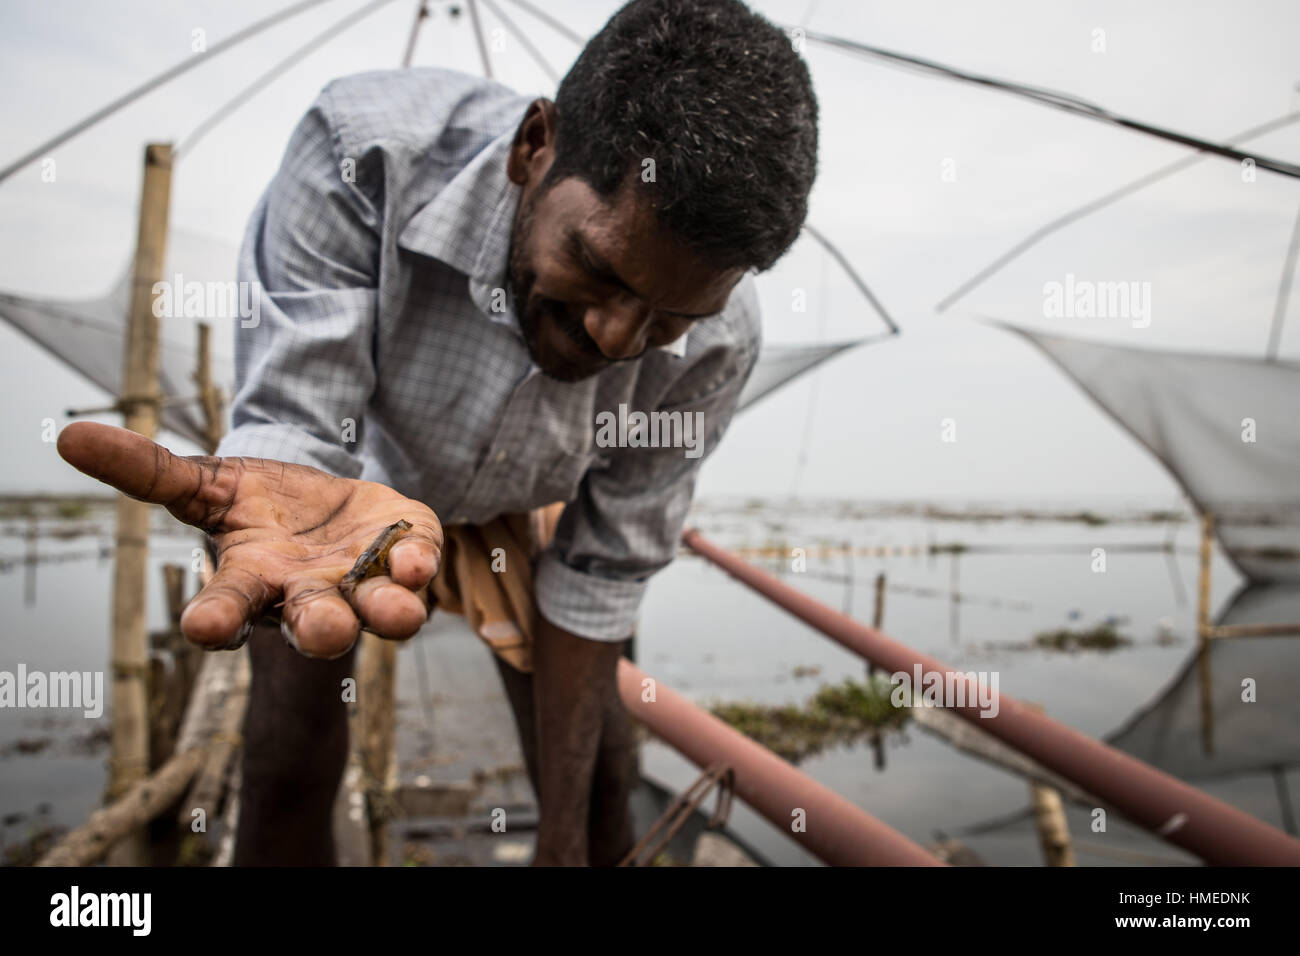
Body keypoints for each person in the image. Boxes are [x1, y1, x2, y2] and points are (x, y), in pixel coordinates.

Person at [58, 0, 818, 866]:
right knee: (289, 757)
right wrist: (299, 509)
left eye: (668, 316)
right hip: (350, 489)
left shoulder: (721, 337)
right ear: (536, 145)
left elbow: (603, 566)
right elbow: (301, 432)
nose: (616, 338)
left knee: (602, 779)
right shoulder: (362, 152)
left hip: (531, 501)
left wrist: (560, 844)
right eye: (599, 269)